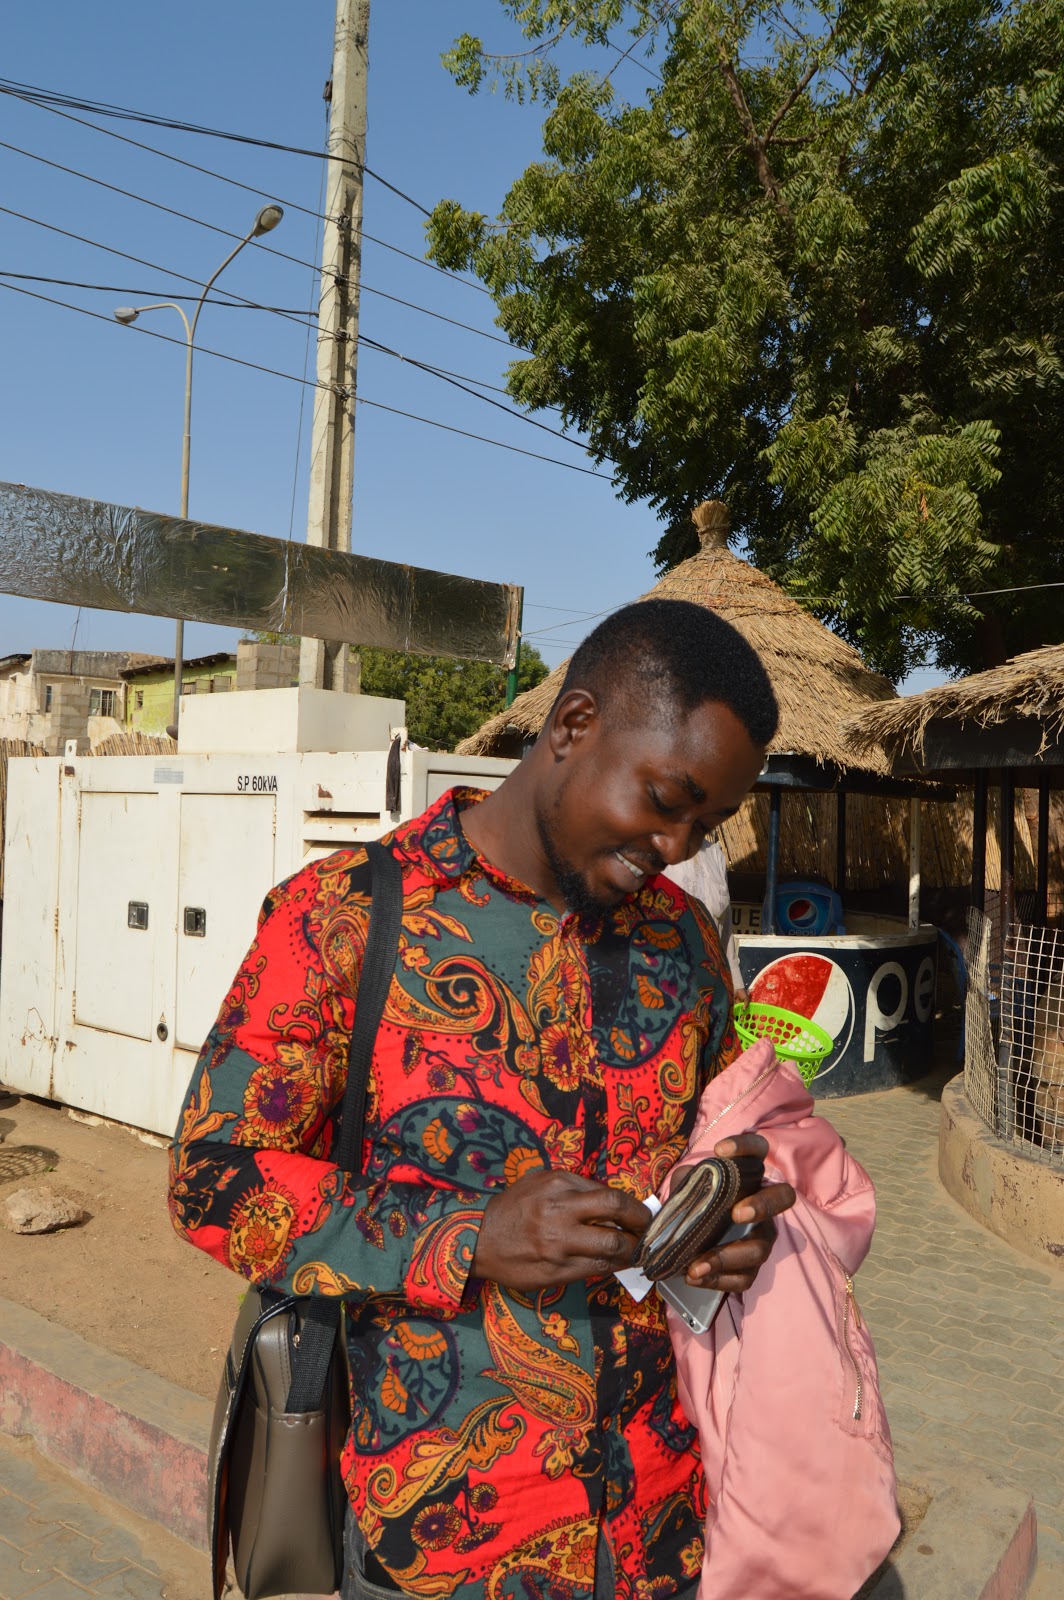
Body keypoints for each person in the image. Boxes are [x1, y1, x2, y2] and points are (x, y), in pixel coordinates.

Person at [169, 598, 796, 1600]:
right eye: (665, 799)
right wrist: (467, 1234)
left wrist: (738, 1209)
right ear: (574, 724)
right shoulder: (342, 919)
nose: (677, 845)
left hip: (663, 1527)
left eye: (707, 823)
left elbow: (730, 1141)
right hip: (439, 1541)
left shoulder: (685, 945)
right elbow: (213, 1179)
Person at [664, 835, 749, 1003]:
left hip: (707, 988)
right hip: (665, 984)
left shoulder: (714, 854)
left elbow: (724, 925)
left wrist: (735, 980)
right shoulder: (657, 847)